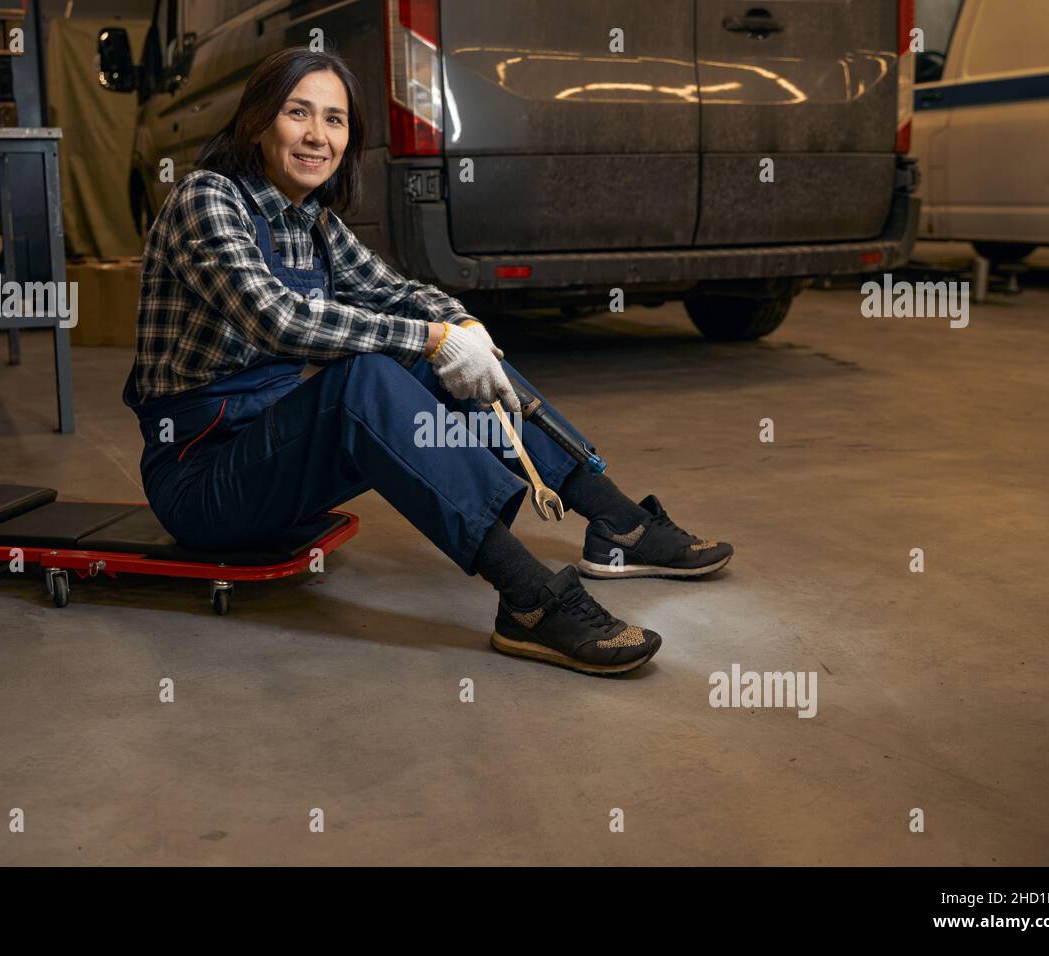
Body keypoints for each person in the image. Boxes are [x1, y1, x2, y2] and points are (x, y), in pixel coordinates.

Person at [123, 46, 734, 676]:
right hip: (202, 479)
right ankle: (529, 600)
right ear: (256, 122)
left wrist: (459, 327)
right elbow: (277, 319)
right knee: (371, 375)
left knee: (425, 356)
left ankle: (618, 523)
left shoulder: (313, 225)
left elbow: (401, 291)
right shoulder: (206, 200)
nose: (317, 135)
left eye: (335, 120)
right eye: (296, 112)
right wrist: (432, 338)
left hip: (273, 451)